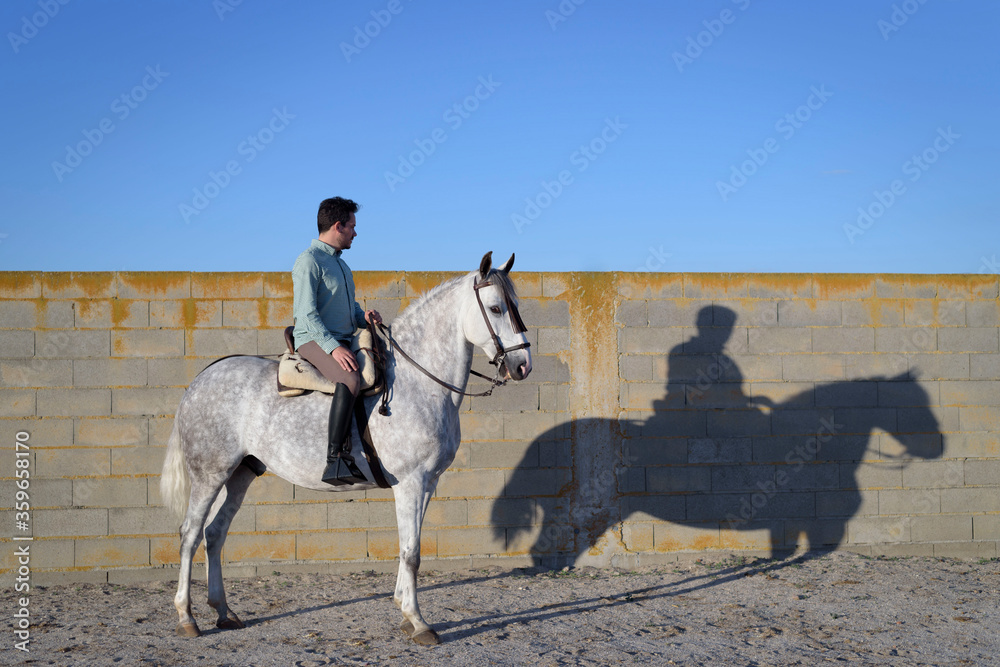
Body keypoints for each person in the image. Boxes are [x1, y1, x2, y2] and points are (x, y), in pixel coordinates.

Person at [292, 197, 382, 485]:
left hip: (341, 337)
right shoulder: (309, 262)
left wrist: (363, 317)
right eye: (352, 227)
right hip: (312, 340)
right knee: (351, 378)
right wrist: (334, 348)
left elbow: (351, 309)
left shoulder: (342, 267)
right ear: (337, 226)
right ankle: (335, 460)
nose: (355, 233)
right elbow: (306, 315)